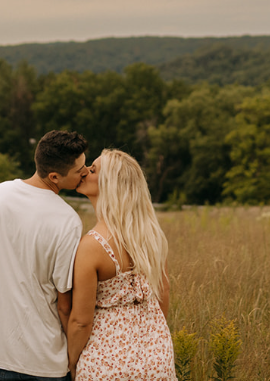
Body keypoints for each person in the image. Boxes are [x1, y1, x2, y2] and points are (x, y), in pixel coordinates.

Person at [0, 130, 90, 381]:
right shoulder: (67, 220)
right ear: (55, 177)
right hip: (44, 362)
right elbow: (64, 304)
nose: (86, 172)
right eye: (79, 170)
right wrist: (74, 360)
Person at [66, 149, 176, 381]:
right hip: (157, 358)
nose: (84, 172)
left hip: (105, 363)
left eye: (93, 169)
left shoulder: (92, 246)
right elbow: (163, 295)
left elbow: (81, 321)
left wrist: (71, 362)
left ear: (109, 184)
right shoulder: (153, 238)